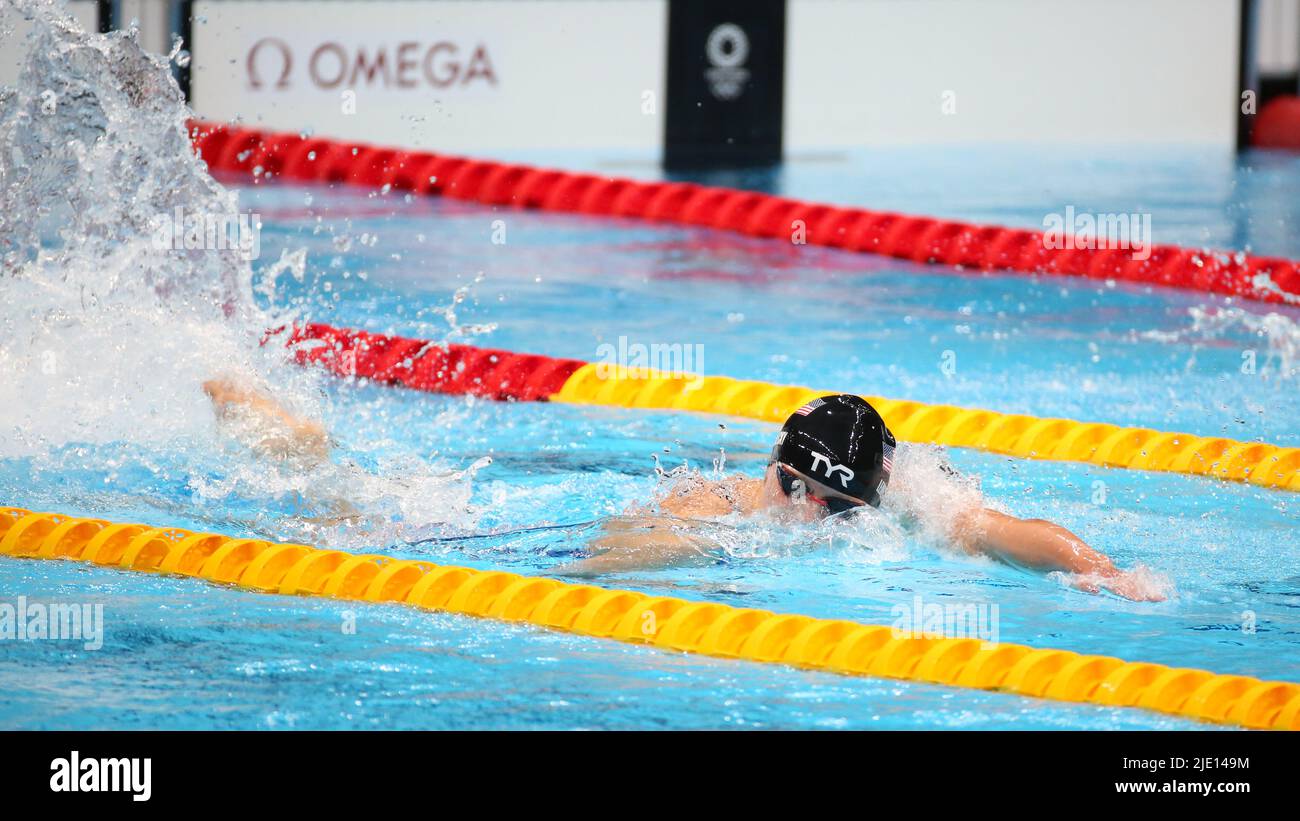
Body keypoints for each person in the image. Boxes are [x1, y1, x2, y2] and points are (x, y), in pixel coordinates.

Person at [203, 380, 1163, 601]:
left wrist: (1107, 570)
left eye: (827, 506)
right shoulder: (725, 511)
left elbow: (1014, 532)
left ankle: (309, 461)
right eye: (798, 494)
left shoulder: (916, 492)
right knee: (396, 534)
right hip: (528, 540)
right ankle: (307, 463)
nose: (808, 516)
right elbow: (590, 563)